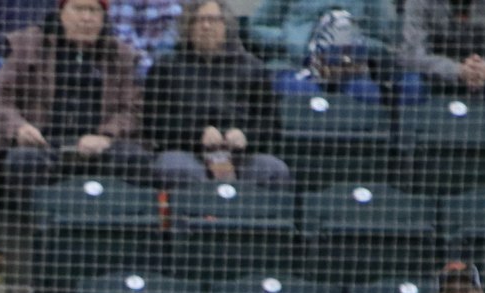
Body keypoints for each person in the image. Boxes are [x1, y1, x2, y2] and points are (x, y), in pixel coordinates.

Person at [0, 0, 148, 268]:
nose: (86, 18)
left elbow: (134, 109)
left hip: (99, 147)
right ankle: (37, 248)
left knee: (135, 159)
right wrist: (19, 127)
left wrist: (107, 135)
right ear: (61, 12)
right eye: (79, 9)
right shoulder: (28, 46)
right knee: (21, 162)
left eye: (93, 11)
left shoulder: (120, 54)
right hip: (44, 144)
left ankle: (112, 248)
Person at [143, 2, 290, 189]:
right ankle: (201, 217)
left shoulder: (253, 68)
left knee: (272, 169)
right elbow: (154, 122)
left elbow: (271, 124)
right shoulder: (166, 67)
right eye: (199, 20)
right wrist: (197, 134)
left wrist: (246, 136)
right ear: (187, 26)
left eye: (213, 20)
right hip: (187, 152)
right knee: (174, 167)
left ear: (226, 25)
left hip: (241, 155)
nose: (206, 26)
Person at [400, 0, 485, 106]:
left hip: (483, 78)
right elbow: (411, 55)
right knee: (411, 85)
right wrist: (456, 70)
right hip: (434, 76)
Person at [245, 0, 392, 65]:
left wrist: (353, 45)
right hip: (291, 65)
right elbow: (256, 29)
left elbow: (385, 44)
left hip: (351, 71)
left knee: (363, 91)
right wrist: (296, 42)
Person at [107, 0, 179, 72]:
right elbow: (123, 35)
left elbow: (172, 28)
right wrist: (147, 65)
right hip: (135, 62)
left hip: (164, 58)